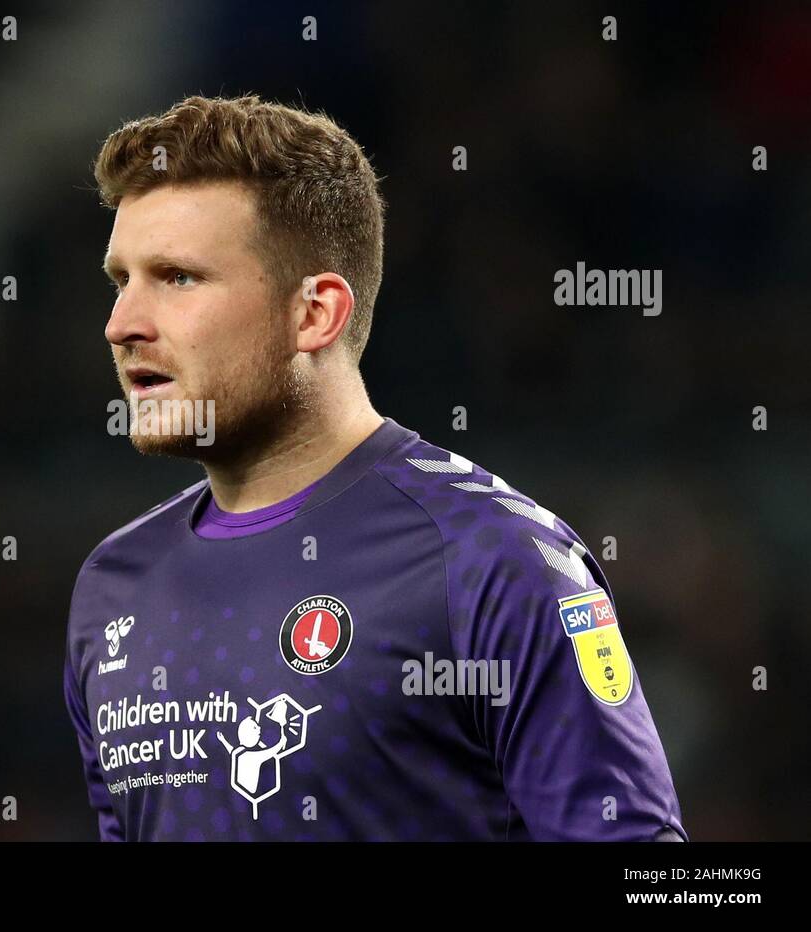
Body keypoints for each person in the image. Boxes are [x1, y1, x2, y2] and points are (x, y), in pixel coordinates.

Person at [63, 94, 686, 841]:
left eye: (178, 277)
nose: (122, 324)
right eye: (120, 279)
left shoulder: (492, 560)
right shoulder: (114, 584)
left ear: (315, 313)